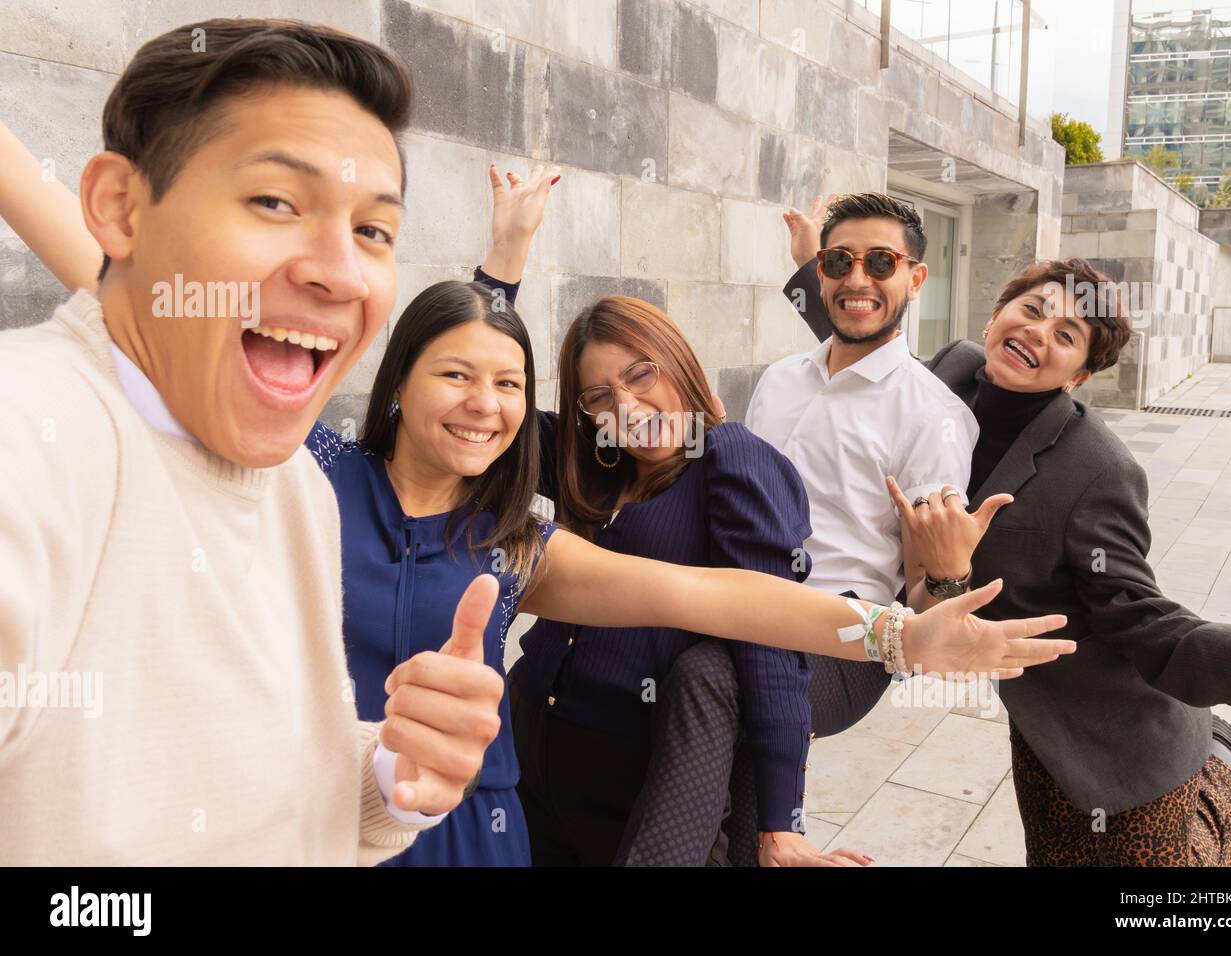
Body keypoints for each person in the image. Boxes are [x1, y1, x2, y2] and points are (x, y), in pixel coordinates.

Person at [2, 48, 1079, 867]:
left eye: (372, 229)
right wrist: (503, 268)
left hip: (463, 810)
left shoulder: (516, 536)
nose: (484, 407)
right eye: (275, 203)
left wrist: (900, 629)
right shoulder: (313, 474)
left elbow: (723, 600)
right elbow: (133, 294)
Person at [0, 19, 506, 864]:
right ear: (120, 208)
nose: (339, 271)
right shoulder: (31, 435)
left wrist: (389, 773)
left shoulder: (297, 489)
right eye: (276, 202)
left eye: (375, 232)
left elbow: (256, 793)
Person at [793, 235, 1231, 864]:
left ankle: (1218, 783)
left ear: (1081, 375)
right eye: (1032, 311)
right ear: (996, 313)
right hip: (1037, 712)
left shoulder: (1098, 470)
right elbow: (867, 364)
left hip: (1114, 720)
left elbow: (1140, 617)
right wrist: (813, 268)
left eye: (1066, 335)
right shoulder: (950, 370)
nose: (1038, 333)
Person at [617, 192, 983, 865]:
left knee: (709, 676)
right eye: (840, 260)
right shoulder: (782, 380)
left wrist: (952, 574)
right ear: (819, 273)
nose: (858, 279)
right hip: (743, 608)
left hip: (845, 642)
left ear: (916, 278)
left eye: (881, 262)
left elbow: (928, 607)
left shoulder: (932, 416)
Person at [510, 294, 848, 866]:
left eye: (640, 373)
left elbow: (768, 633)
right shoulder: (594, 461)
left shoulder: (729, 458)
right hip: (524, 751)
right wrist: (505, 261)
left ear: (678, 361)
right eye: (599, 396)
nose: (626, 406)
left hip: (627, 774)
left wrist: (780, 821)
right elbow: (487, 399)